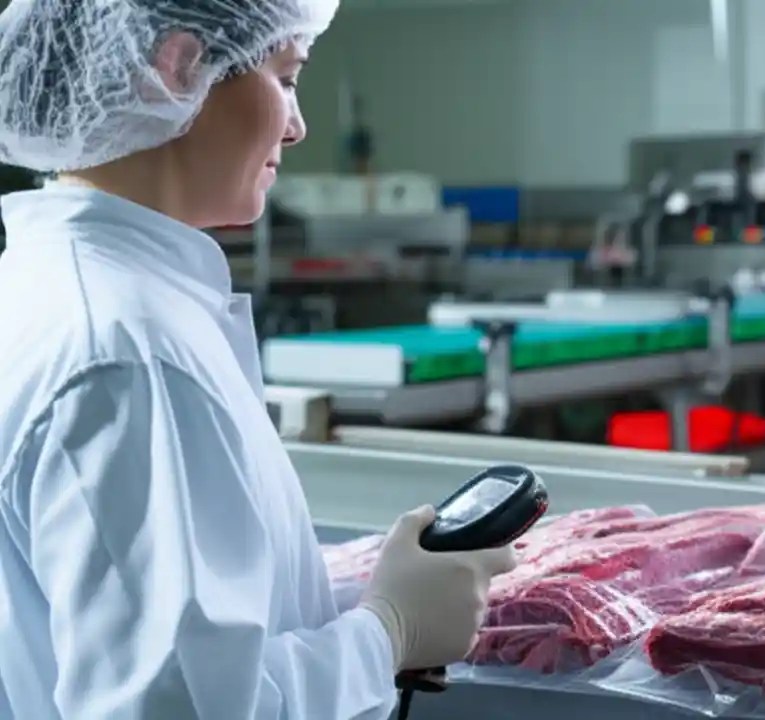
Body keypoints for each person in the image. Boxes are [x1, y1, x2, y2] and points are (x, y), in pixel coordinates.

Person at [0, 1, 516, 717]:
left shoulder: (64, 289)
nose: (298, 126)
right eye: (287, 75)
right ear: (176, 68)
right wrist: (385, 633)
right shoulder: (129, 354)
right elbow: (178, 708)